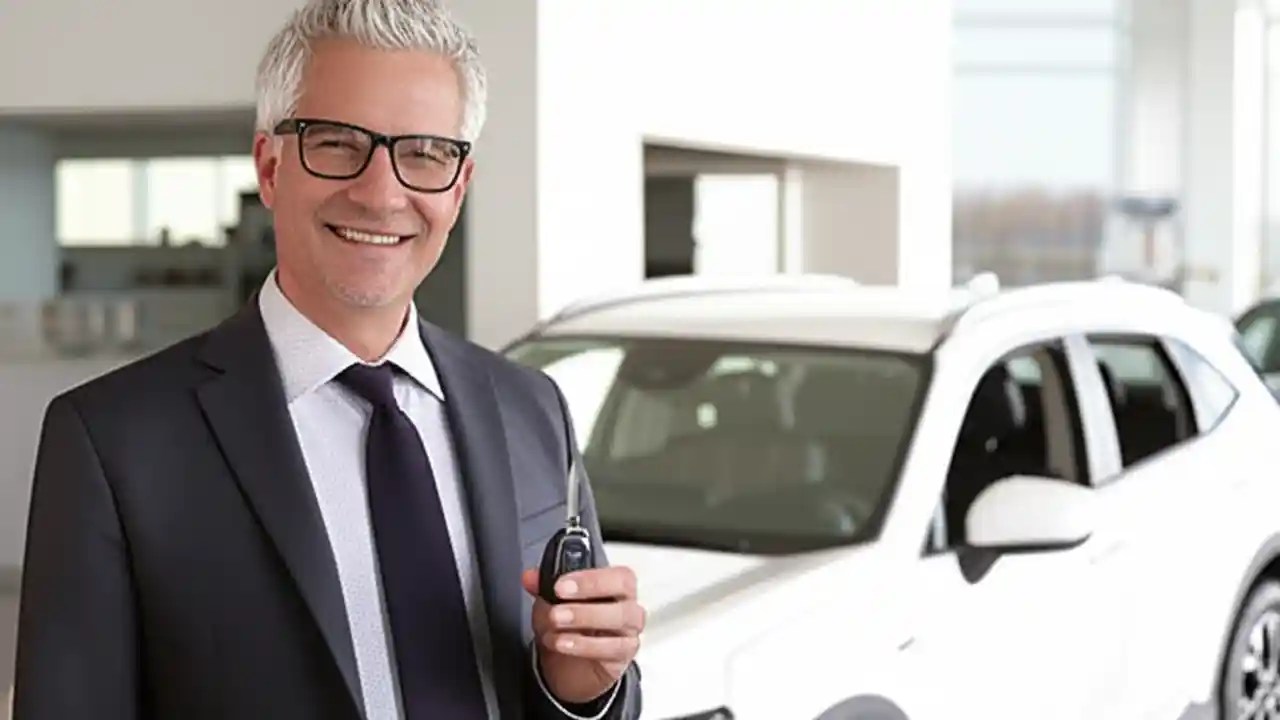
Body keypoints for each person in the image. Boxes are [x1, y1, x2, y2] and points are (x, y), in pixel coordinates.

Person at [11, 0, 644, 718]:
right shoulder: (114, 442)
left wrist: (583, 689)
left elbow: (593, 691)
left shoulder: (533, 410)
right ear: (271, 166)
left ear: (459, 187)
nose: (381, 194)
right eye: (338, 142)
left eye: (424, 153)